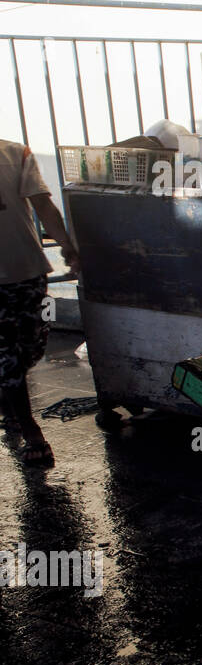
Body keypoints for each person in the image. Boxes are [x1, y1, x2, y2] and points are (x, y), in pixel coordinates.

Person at [0, 141, 79, 467]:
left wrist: (67, 246)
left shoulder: (16, 154)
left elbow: (43, 205)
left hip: (28, 272)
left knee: (32, 346)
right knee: (8, 357)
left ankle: (8, 399)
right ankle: (30, 430)